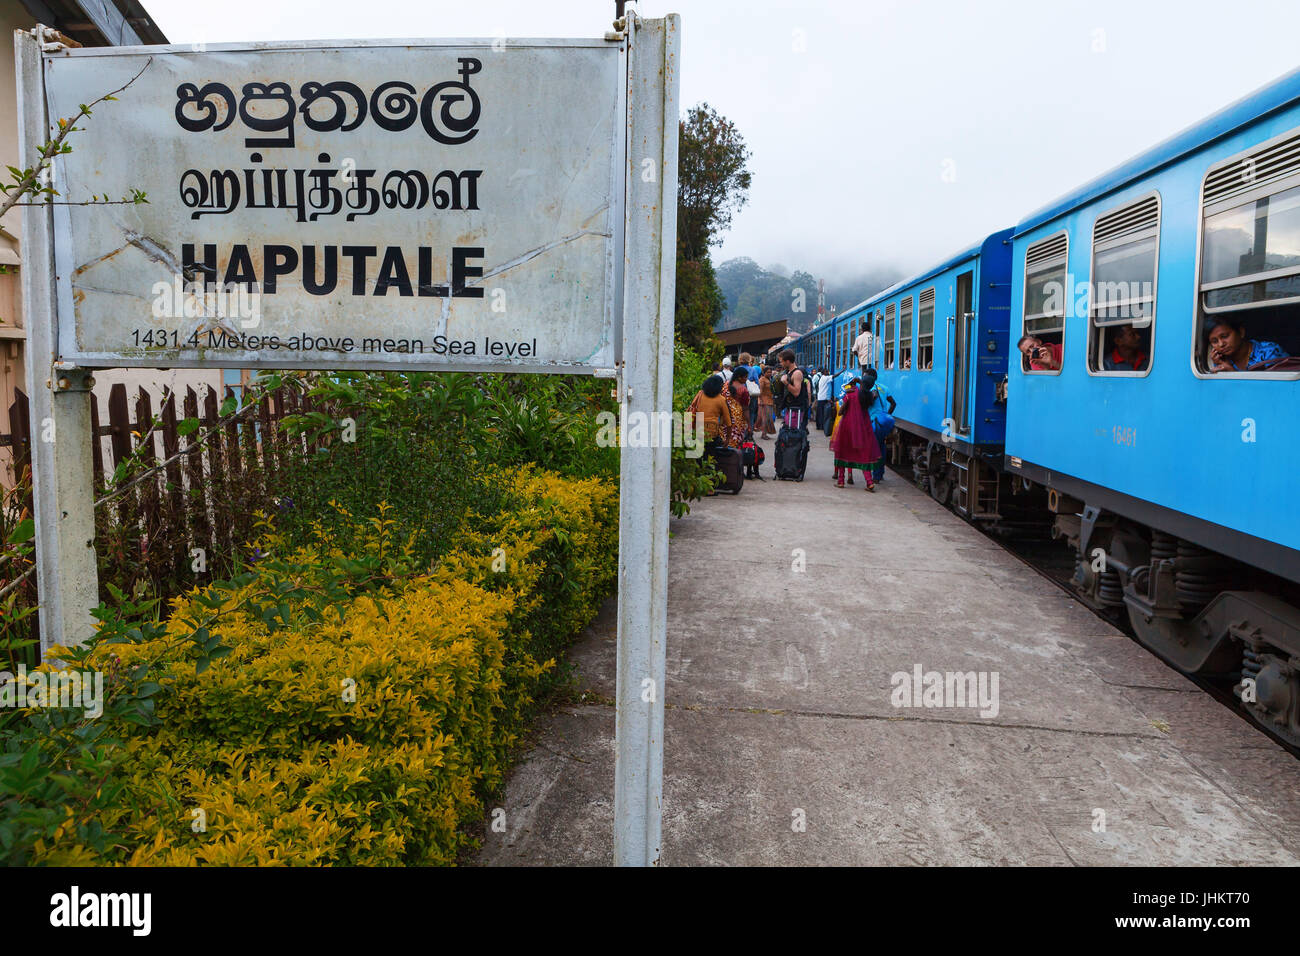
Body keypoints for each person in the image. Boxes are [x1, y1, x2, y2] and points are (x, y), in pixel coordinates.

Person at [829, 377, 882, 492]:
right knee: (864, 454)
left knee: (843, 451)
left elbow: (841, 411)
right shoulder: (869, 396)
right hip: (863, 427)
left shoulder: (850, 395)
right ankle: (869, 482)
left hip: (848, 426)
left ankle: (841, 481)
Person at [1204, 318, 1289, 372]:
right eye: (1215, 341)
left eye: (1225, 336)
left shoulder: (1270, 351)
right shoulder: (1221, 360)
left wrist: (1232, 373)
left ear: (1241, 332)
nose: (1221, 344)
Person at [862, 367, 896, 485]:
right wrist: (887, 415)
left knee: (873, 449)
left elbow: (867, 404)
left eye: (865, 376)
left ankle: (875, 476)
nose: (863, 377)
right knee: (881, 448)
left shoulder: (868, 388)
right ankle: (880, 473)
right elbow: (893, 403)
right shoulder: (884, 387)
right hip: (883, 422)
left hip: (873, 422)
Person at [687, 374, 732, 456]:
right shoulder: (721, 400)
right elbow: (728, 423)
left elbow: (690, 409)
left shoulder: (700, 394)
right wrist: (727, 440)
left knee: (698, 456)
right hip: (712, 433)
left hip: (698, 430)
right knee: (712, 456)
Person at [777, 348, 809, 431]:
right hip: (790, 407)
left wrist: (786, 383)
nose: (781, 364)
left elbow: (796, 392)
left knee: (793, 432)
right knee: (788, 431)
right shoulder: (788, 372)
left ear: (787, 361)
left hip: (796, 409)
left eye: (781, 361)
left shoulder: (797, 373)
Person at [723, 366, 750, 449]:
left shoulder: (726, 385)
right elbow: (745, 409)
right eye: (745, 377)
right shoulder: (743, 390)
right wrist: (749, 424)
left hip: (724, 416)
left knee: (724, 437)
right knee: (735, 440)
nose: (746, 379)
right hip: (737, 419)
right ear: (739, 377)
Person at [757, 370, 776, 438]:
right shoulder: (762, 380)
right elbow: (760, 391)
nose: (769, 373)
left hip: (769, 400)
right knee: (765, 418)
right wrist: (761, 400)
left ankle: (765, 433)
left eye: (770, 372)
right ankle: (764, 434)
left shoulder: (769, 379)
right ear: (764, 373)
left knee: (768, 418)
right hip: (764, 401)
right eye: (767, 372)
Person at [815, 366, 834, 431]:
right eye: (826, 371)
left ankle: (819, 426)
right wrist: (842, 370)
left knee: (820, 413)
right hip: (823, 398)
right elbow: (834, 376)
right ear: (823, 373)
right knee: (822, 413)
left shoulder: (823, 378)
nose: (828, 372)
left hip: (822, 397)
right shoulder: (825, 378)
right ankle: (821, 426)